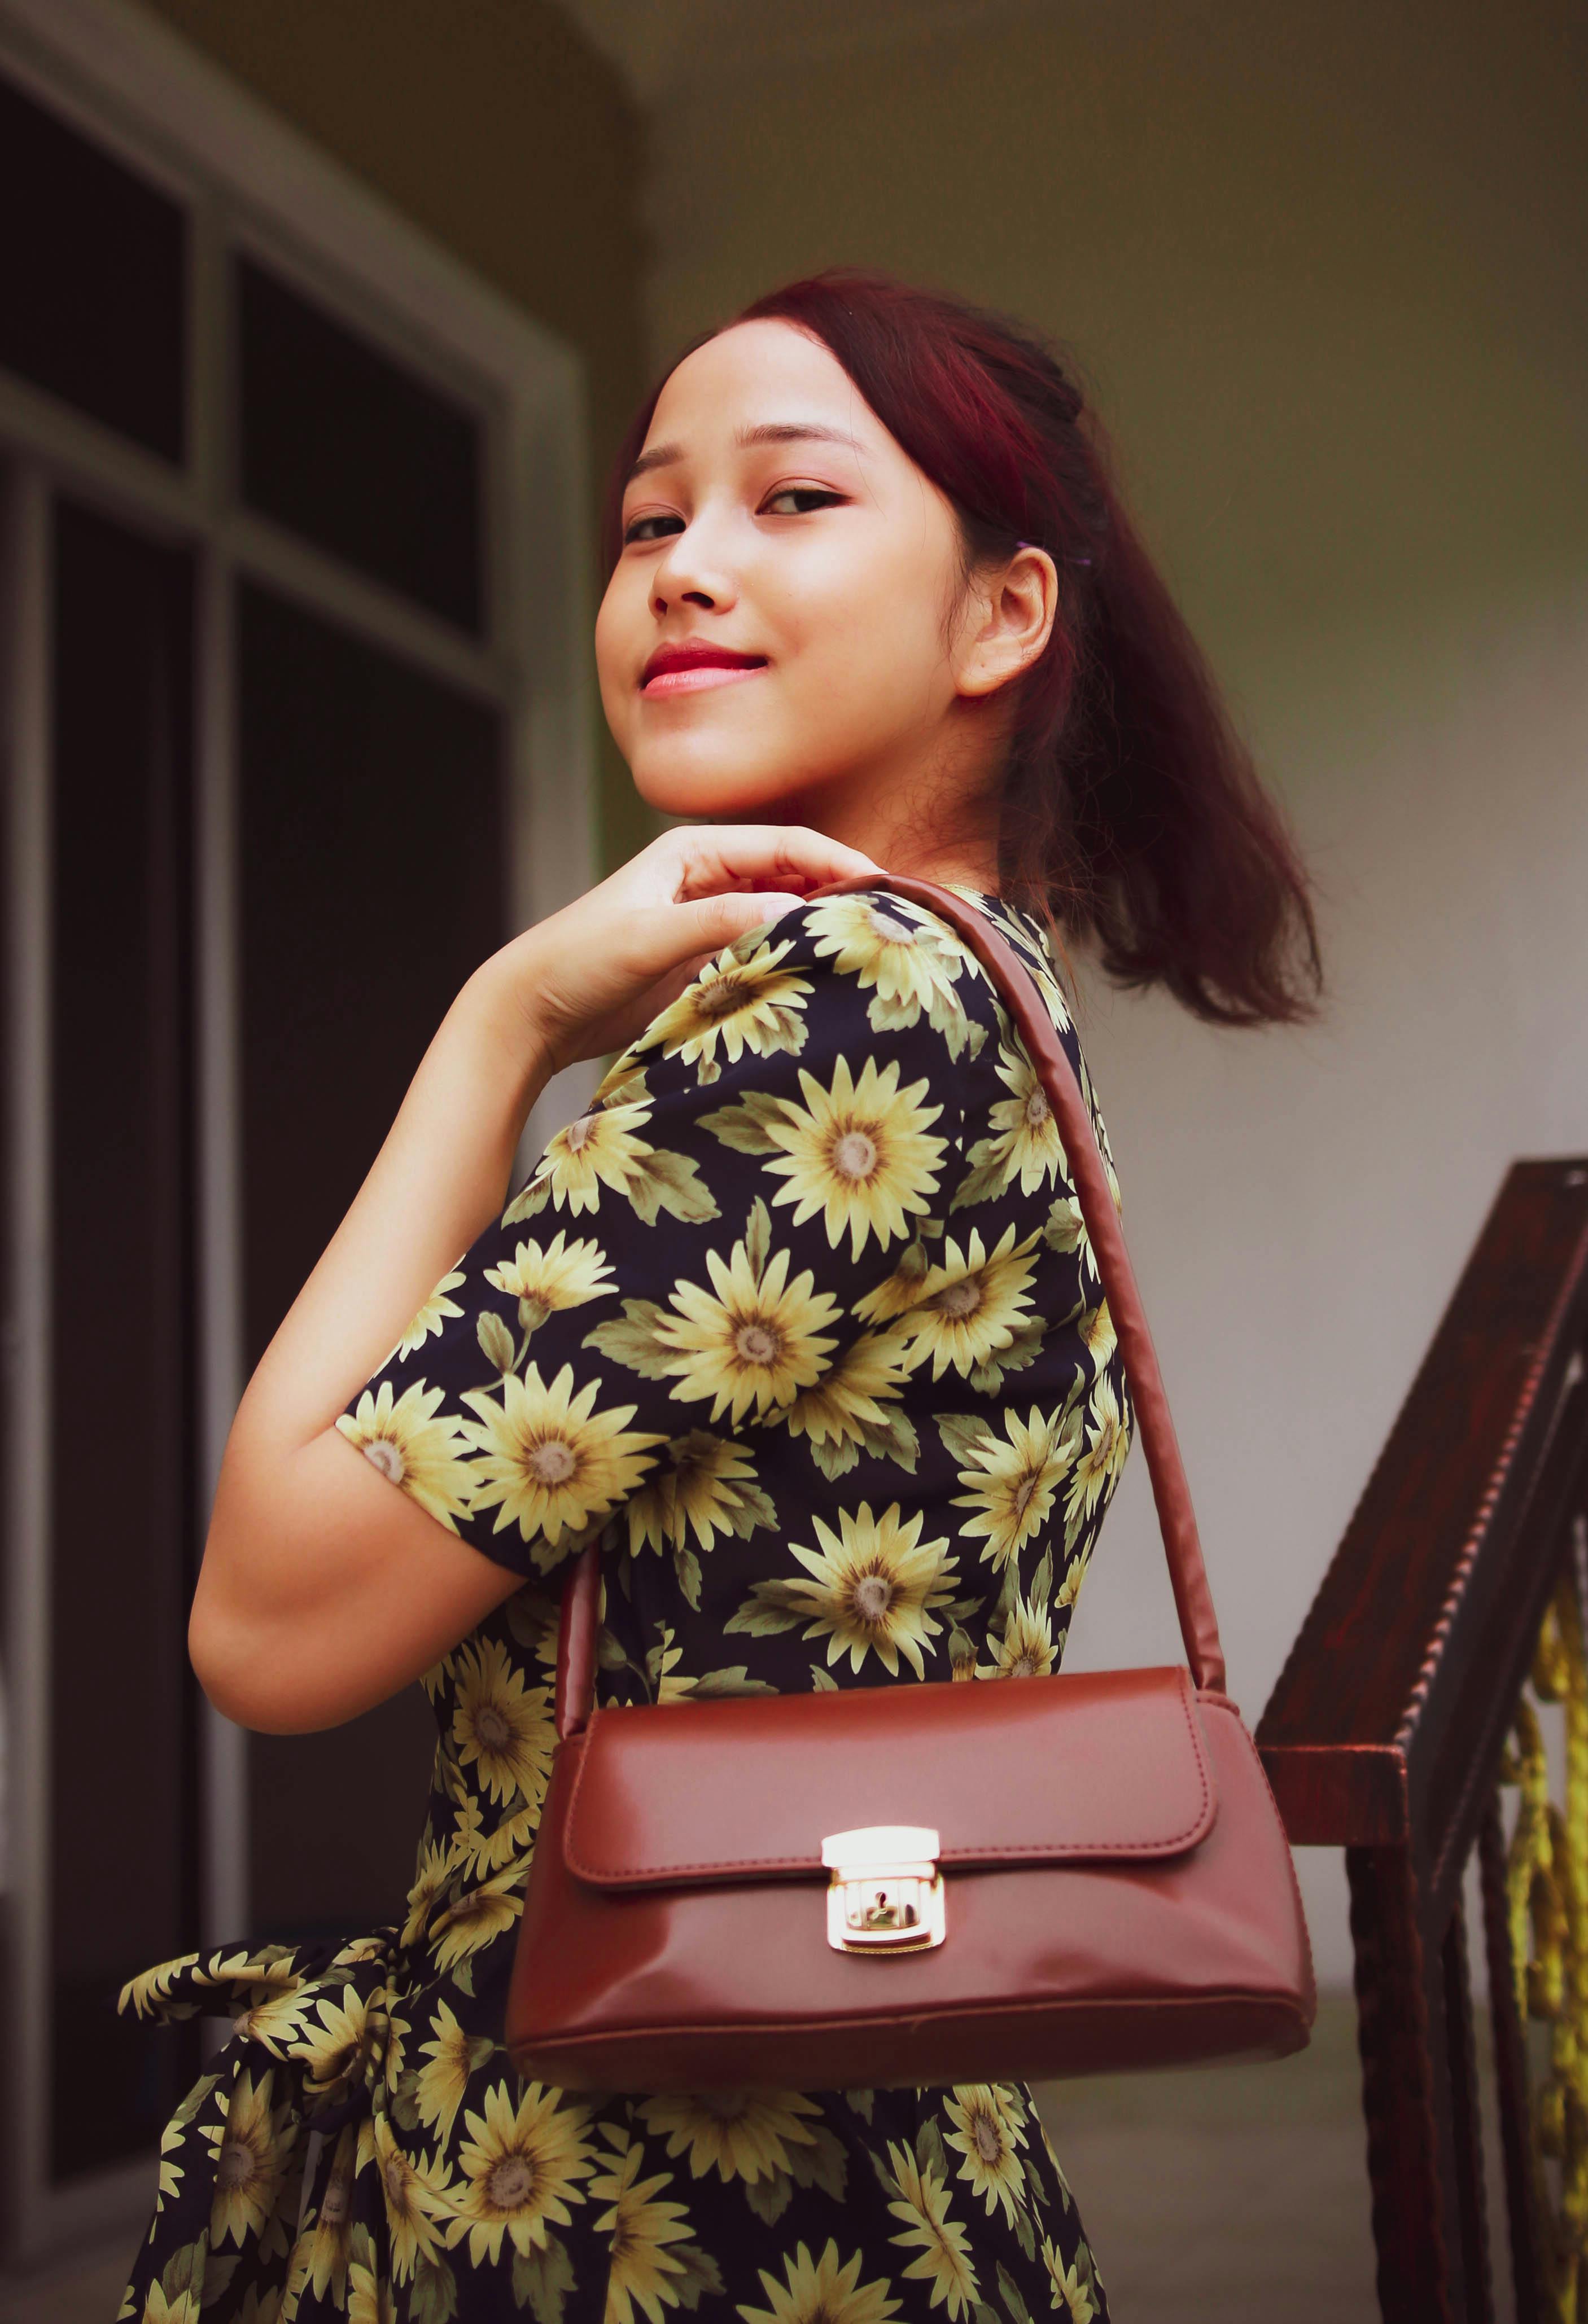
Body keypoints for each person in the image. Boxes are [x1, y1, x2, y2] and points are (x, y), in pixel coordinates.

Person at [117, 265, 1318, 2323]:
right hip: (852, 2155)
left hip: (645, 2200)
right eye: (652, 519)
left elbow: (269, 1616)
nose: (687, 568)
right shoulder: (989, 988)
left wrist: (499, 1025)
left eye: (794, 500)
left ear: (1000, 619)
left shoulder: (848, 1004)